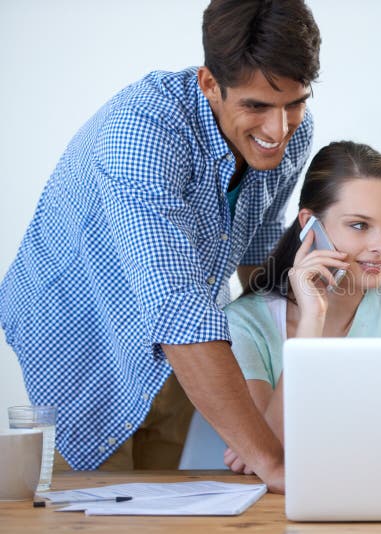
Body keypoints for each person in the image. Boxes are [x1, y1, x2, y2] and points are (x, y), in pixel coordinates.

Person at [0, 0, 320, 492]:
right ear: (209, 83)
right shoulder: (143, 131)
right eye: (256, 106)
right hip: (82, 340)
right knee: (92, 510)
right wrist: (272, 461)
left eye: (294, 102)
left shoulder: (288, 137)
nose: (278, 131)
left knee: (164, 509)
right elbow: (176, 306)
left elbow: (257, 251)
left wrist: (297, 352)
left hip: (179, 348)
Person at [221, 141, 381, 472]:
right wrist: (312, 321)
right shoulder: (244, 324)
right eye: (360, 225)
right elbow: (271, 456)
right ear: (310, 224)